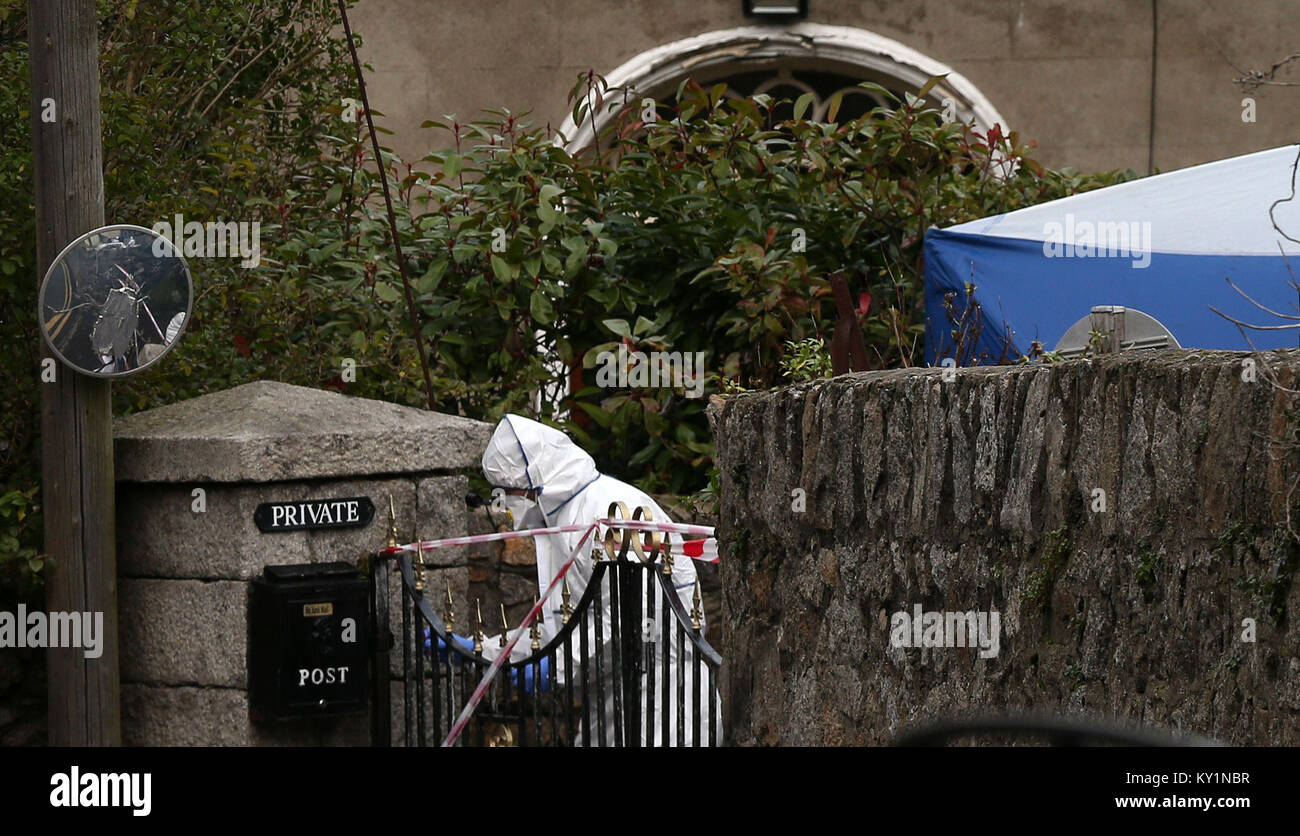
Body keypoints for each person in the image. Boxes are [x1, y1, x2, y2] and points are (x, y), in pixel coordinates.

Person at [472, 413, 719, 745]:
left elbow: (626, 612)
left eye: (509, 489)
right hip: (617, 692)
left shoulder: (608, 509)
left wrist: (553, 665)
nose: (506, 500)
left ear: (535, 479)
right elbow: (567, 622)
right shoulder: (563, 521)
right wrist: (490, 651)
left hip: (663, 692)